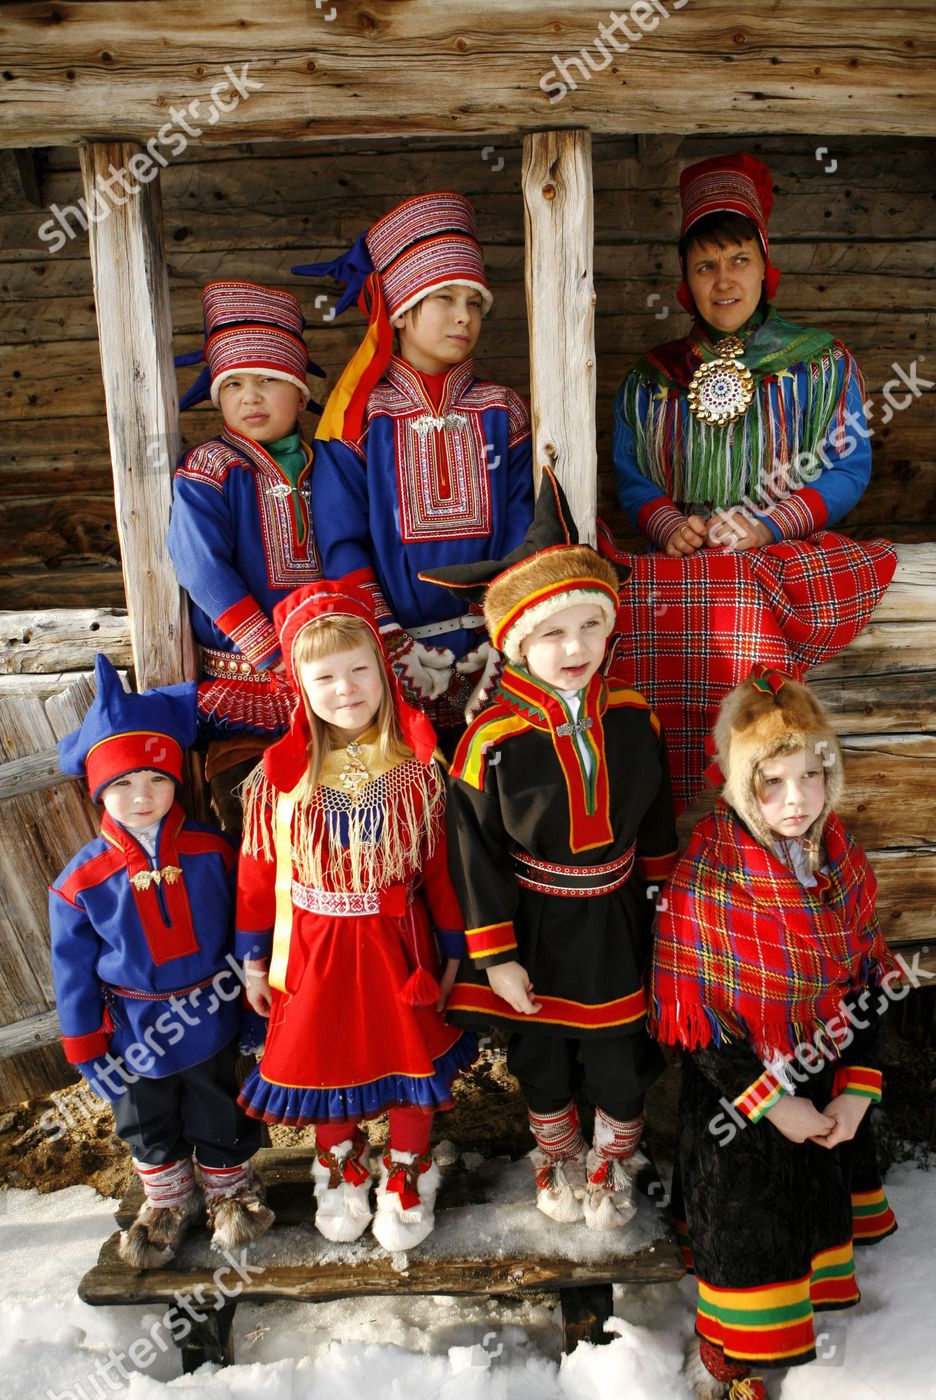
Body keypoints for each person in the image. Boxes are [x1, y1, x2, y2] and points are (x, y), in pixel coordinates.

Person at [652, 667, 898, 1400]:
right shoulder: (707, 879)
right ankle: (726, 1361)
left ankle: (793, 1328)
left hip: (825, 1086)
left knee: (810, 1220)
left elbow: (871, 987)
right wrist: (773, 1104)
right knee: (748, 1239)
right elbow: (694, 1026)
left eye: (812, 774)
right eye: (773, 782)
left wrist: (855, 1090)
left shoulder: (841, 864)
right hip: (739, 1109)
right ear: (736, 786)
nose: (797, 798)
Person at [430, 472, 679, 1229]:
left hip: (618, 918)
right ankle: (557, 1153)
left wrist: (663, 904)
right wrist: (496, 955)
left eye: (590, 628)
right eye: (551, 634)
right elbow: (472, 853)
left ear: (611, 630)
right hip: (534, 920)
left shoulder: (636, 717)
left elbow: (660, 821)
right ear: (514, 643)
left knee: (618, 1051)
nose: (575, 649)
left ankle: (613, 1157)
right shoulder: (492, 742)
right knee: (539, 1052)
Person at [235, 579, 476, 1251]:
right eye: (326, 678)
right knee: (325, 1060)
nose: (345, 688)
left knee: (409, 1058)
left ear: (382, 670)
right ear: (301, 689)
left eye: (358, 670)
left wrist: (454, 948)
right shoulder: (280, 779)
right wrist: (254, 957)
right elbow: (257, 877)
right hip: (312, 950)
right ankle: (339, 1166)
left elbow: (438, 870)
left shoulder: (417, 767)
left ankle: (408, 1167)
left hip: (398, 947)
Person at [49, 655, 272, 1269]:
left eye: (155, 780)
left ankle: (229, 1189)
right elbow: (71, 970)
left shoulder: (213, 851)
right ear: (98, 791)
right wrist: (84, 1046)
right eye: (121, 784)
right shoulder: (80, 882)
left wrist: (253, 1009)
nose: (141, 797)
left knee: (217, 1100)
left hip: (213, 1010)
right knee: (144, 1113)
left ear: (178, 781)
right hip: (133, 1029)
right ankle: (167, 1200)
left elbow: (241, 928)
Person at [297, 192, 534, 742]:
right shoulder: (360, 417)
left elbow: (525, 522)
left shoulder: (501, 408)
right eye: (445, 298)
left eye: (475, 303)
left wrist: (507, 634)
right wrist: (389, 641)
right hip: (395, 658)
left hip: (498, 651)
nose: (464, 316)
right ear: (401, 310)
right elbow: (340, 539)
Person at [613, 153, 872, 555]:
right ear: (687, 280)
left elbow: (847, 467)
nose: (723, 281)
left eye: (740, 260)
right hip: (684, 568)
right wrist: (672, 528)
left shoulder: (823, 364)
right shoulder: (650, 381)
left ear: (764, 267)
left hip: (784, 561)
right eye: (705, 267)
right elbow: (632, 476)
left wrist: (768, 527)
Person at [168, 279, 322, 836]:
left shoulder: (329, 466)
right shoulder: (208, 470)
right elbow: (200, 568)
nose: (250, 397)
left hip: (331, 683)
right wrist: (272, 652)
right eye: (232, 384)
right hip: (244, 688)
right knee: (257, 827)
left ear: (302, 394)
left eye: (268, 381)